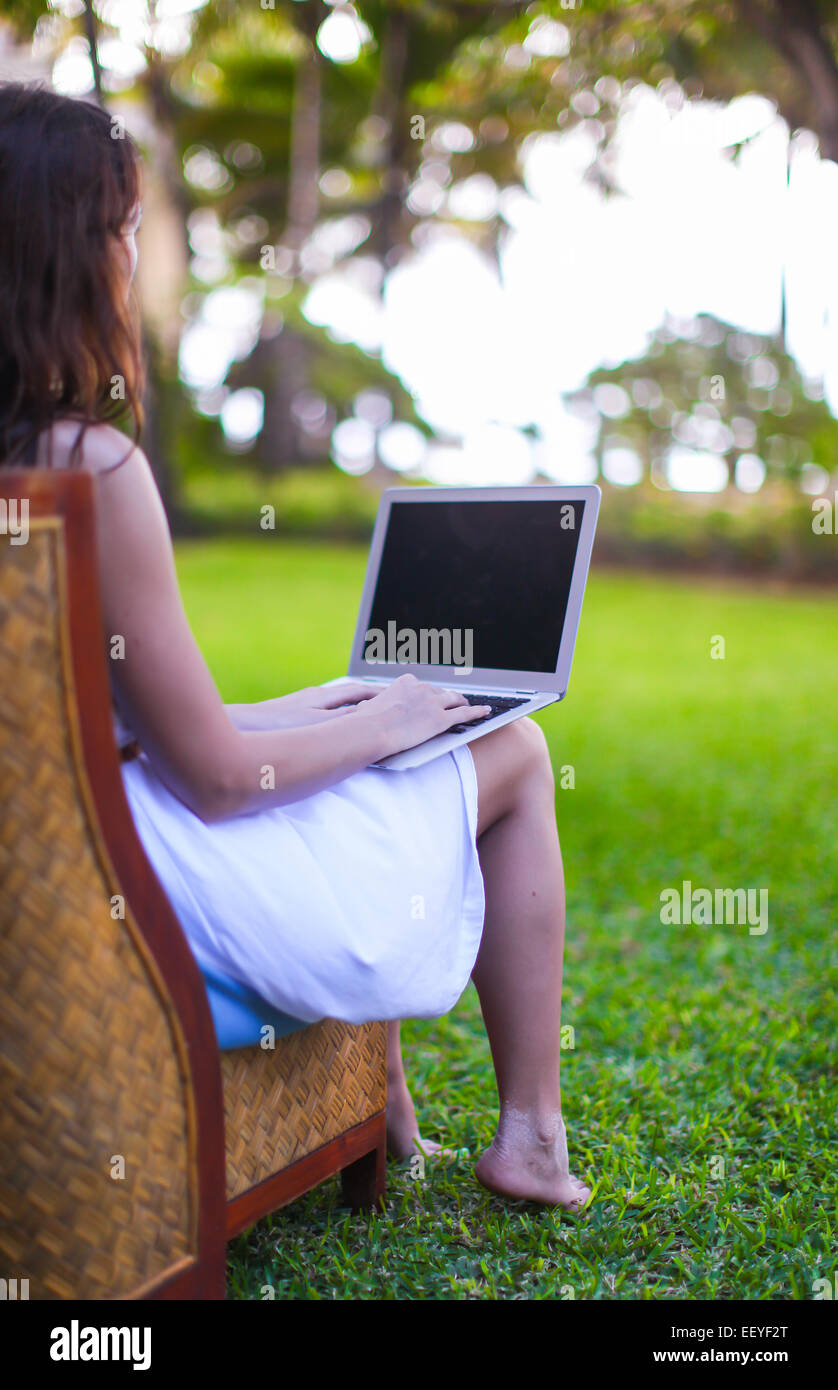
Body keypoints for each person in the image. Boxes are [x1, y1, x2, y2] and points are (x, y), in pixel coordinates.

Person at [0, 82, 591, 1211]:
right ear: (70, 257)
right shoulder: (93, 467)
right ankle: (529, 1139)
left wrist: (331, 705)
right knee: (507, 760)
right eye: (125, 233)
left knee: (366, 746)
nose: (135, 260)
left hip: (52, 856)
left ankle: (376, 1096)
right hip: (140, 894)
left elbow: (107, 732)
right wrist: (389, 720)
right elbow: (217, 783)